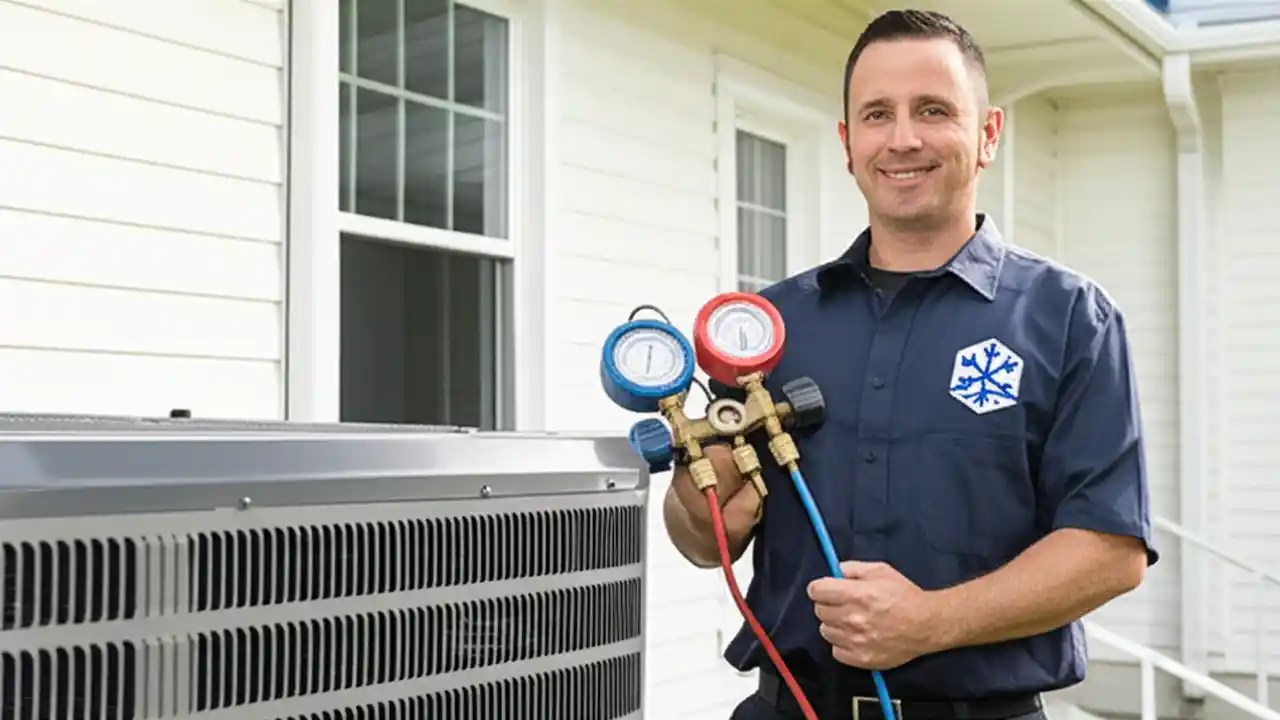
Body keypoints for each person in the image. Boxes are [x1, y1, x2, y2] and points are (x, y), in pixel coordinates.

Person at [661, 9, 1158, 720]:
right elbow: (701, 540)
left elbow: (1111, 550)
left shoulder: (1071, 318)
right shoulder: (770, 327)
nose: (902, 139)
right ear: (847, 143)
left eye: (933, 110)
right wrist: (699, 510)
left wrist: (930, 621)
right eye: (877, 114)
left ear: (988, 134)